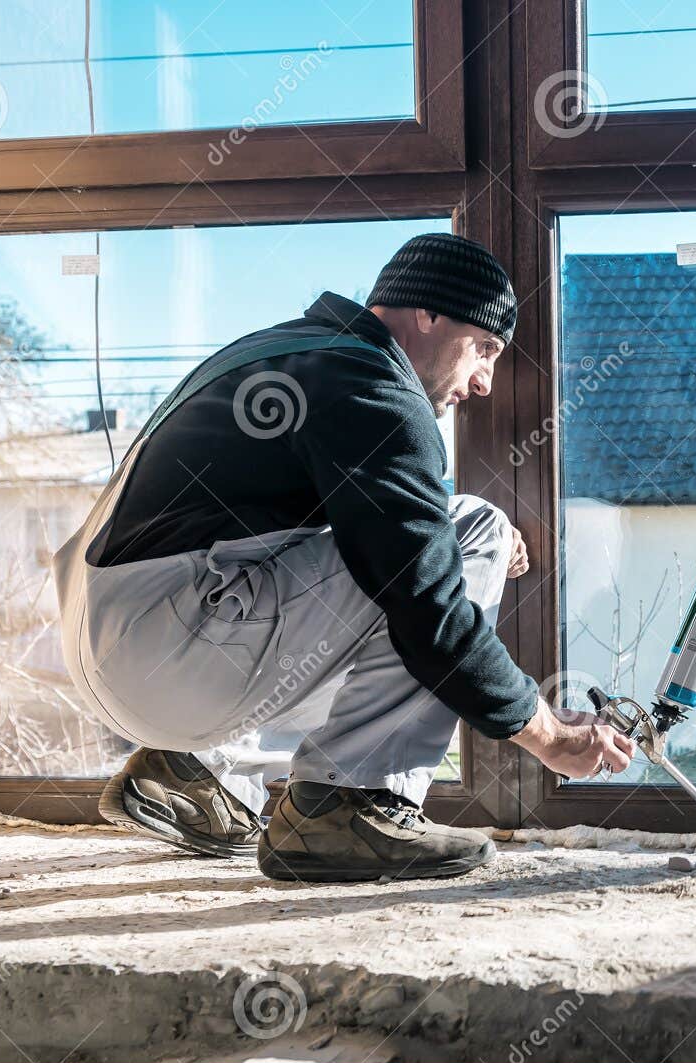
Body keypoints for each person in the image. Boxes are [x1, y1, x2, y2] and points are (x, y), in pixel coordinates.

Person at [54, 233, 633, 882]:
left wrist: (430, 542)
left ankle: (198, 771)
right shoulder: (371, 384)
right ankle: (351, 806)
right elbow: (429, 612)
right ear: (429, 313)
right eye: (485, 349)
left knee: (431, 545)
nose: (484, 382)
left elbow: (327, 535)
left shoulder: (301, 353)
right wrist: (549, 735)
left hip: (120, 642)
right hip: (167, 641)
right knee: (477, 530)